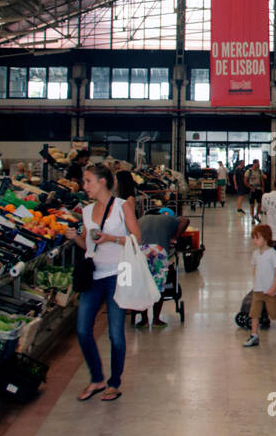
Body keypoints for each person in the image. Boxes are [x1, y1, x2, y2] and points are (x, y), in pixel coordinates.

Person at [71, 162, 143, 402]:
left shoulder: (123, 207)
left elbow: (136, 239)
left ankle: (114, 382)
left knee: (115, 333)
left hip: (119, 272)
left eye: (88, 181)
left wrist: (111, 238)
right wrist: (73, 237)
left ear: (102, 181)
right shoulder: (86, 210)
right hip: (94, 274)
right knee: (82, 329)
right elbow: (87, 244)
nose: (84, 186)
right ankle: (97, 378)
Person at [136, 206, 191, 327]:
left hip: (141, 251)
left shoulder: (142, 219)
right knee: (159, 286)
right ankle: (156, 320)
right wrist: (175, 237)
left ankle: (143, 320)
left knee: (143, 285)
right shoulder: (171, 219)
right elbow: (185, 220)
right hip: (158, 251)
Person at [242, 224, 276, 347]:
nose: (255, 241)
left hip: (270, 290)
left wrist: (274, 287)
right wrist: (255, 282)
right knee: (254, 313)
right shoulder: (255, 254)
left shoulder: (272, 253)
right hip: (258, 290)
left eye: (257, 238)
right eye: (253, 238)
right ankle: (254, 335)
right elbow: (255, 269)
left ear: (266, 238)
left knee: (273, 313)